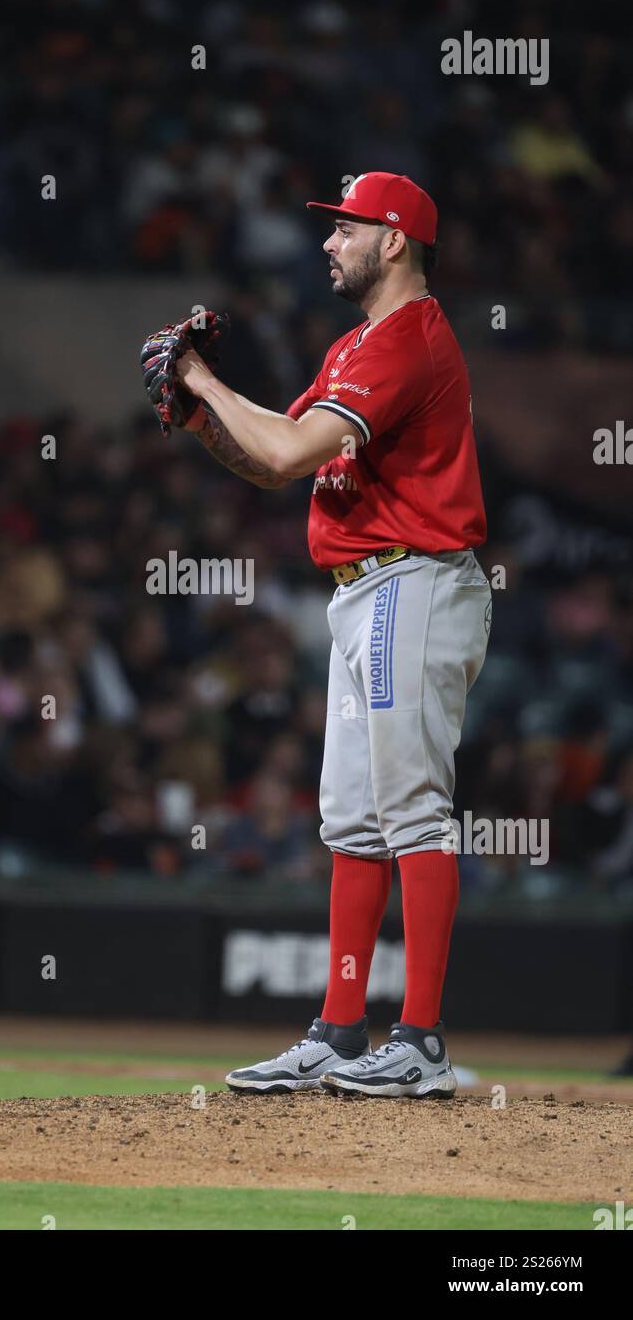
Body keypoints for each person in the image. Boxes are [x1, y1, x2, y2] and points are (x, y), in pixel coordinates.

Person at [149, 172, 490, 1098]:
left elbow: (294, 451)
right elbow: (271, 461)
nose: (329, 242)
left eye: (346, 228)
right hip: (363, 591)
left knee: (412, 809)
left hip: (410, 582)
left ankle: (420, 1041)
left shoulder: (408, 339)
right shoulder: (354, 345)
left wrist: (200, 376)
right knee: (351, 819)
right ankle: (341, 1031)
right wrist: (201, 416)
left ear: (395, 241)